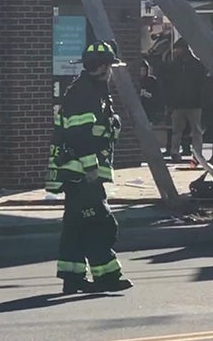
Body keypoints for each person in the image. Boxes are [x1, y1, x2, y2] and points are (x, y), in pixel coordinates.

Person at [45, 41, 133, 294]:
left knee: (76, 226)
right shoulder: (84, 92)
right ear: (99, 67)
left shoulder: (95, 89)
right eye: (106, 66)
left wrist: (112, 123)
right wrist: (91, 168)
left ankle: (72, 279)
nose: (108, 70)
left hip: (77, 172)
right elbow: (79, 135)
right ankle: (107, 276)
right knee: (99, 224)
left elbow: (101, 126)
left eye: (109, 66)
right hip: (81, 173)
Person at [163, 39, 206, 162]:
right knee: (182, 130)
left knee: (190, 130)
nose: (176, 51)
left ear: (185, 49)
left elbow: (202, 84)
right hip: (182, 103)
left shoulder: (194, 65)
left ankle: (195, 154)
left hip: (192, 103)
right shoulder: (178, 65)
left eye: (178, 49)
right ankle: (177, 152)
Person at [137, 59, 163, 124]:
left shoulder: (151, 81)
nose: (142, 72)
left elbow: (156, 96)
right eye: (141, 70)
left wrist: (146, 94)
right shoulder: (135, 81)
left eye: (144, 70)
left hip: (149, 109)